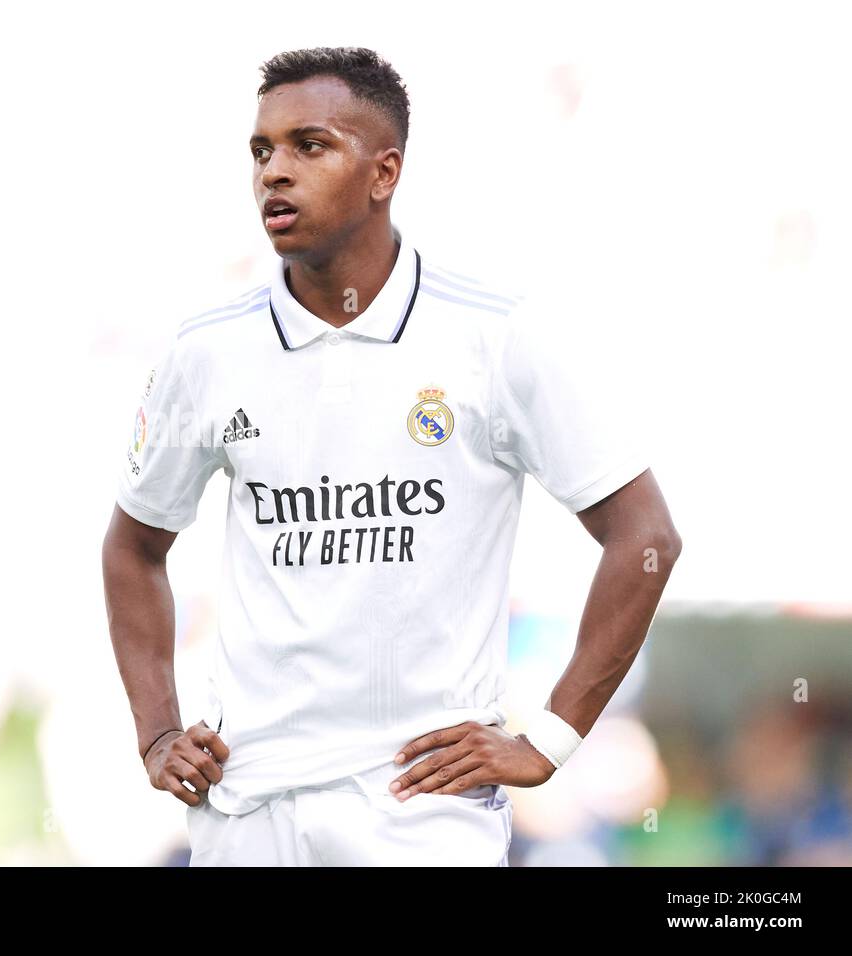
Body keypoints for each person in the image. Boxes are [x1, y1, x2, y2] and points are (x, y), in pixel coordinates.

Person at [101, 46, 682, 866]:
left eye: (311, 145)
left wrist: (550, 737)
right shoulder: (207, 352)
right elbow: (133, 546)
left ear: (385, 172)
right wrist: (158, 729)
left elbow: (646, 536)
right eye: (261, 150)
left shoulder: (495, 336)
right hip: (245, 806)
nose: (275, 172)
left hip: (421, 812)